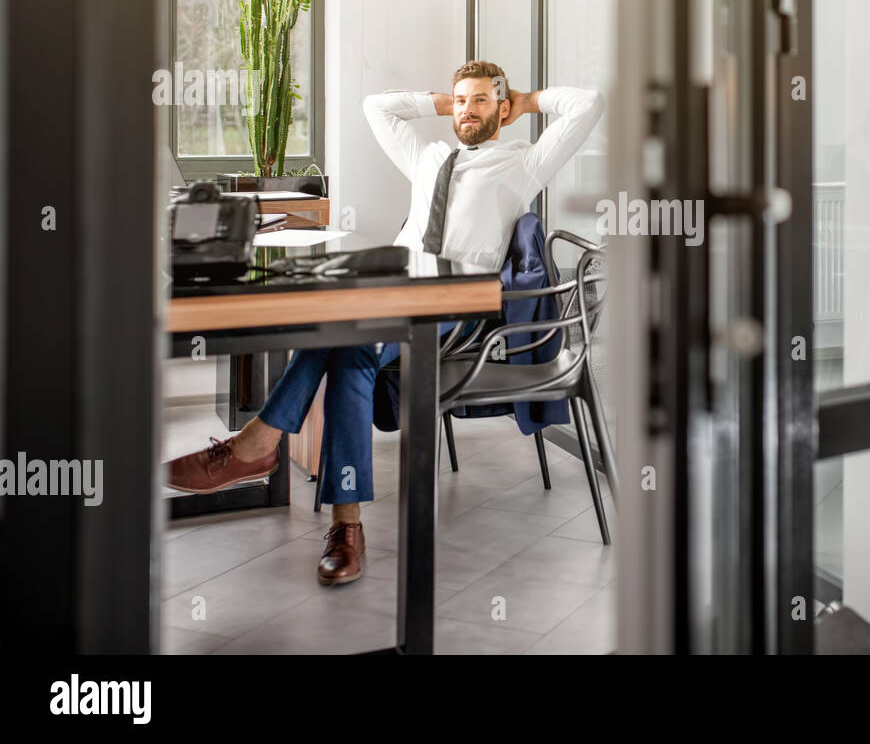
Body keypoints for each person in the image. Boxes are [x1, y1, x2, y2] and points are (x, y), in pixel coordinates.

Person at [165, 61, 605, 584]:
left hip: (454, 310)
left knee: (347, 344)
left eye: (481, 101)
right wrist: (445, 102)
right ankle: (335, 518)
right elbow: (377, 107)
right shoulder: (429, 157)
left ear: (502, 109)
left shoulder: (524, 163)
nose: (467, 109)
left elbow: (589, 103)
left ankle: (270, 455)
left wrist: (525, 101)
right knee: (346, 344)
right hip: (394, 291)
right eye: (461, 100)